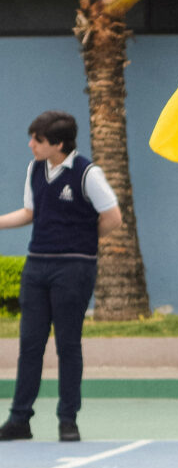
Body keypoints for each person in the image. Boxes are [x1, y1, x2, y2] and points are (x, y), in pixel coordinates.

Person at [0, 110, 122, 443]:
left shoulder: (87, 173)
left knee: (68, 345)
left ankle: (68, 420)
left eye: (37, 140)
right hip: (36, 266)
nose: (31, 145)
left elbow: (113, 217)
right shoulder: (35, 169)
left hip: (74, 268)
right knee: (30, 345)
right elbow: (30, 212)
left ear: (58, 143)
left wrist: (82, 238)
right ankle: (19, 419)